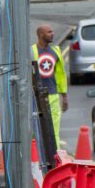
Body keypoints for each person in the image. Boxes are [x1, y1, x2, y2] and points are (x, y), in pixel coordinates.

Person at [31, 24, 68, 155]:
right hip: (36, 97)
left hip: (53, 95)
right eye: (49, 32)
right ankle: (38, 156)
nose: (52, 34)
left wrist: (64, 96)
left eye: (52, 31)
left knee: (54, 130)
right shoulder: (32, 51)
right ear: (41, 35)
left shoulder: (56, 51)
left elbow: (61, 75)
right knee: (36, 129)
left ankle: (56, 157)